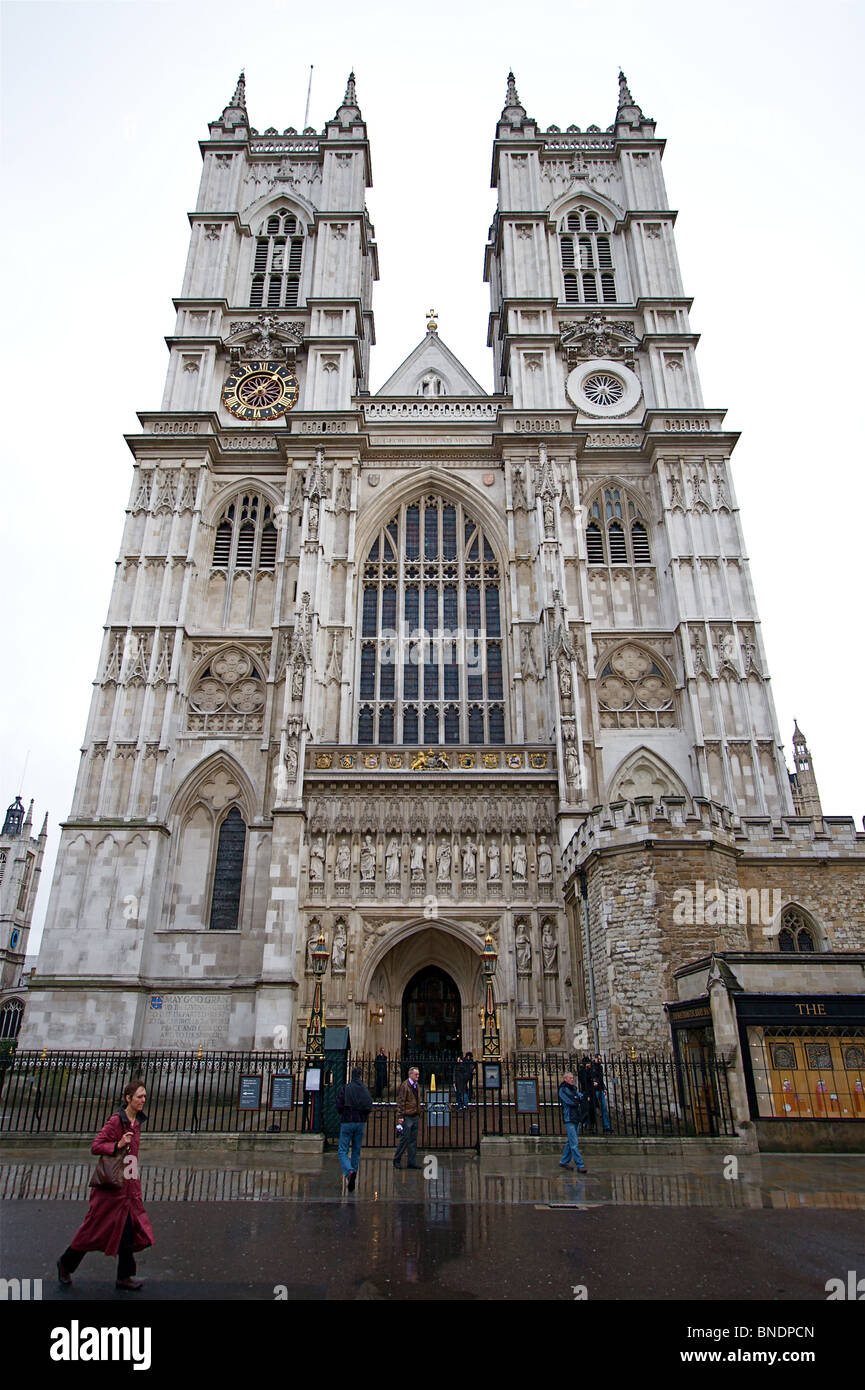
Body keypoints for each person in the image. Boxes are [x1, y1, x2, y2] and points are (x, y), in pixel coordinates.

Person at [57, 1079, 154, 1291]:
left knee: (127, 1231)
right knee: (92, 1230)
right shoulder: (116, 1122)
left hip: (127, 1186)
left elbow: (132, 1158)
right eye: (139, 1096)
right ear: (128, 1099)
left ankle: (124, 1276)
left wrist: (135, 1185)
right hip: (110, 1188)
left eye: (145, 1096)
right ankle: (66, 1263)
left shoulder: (137, 1122)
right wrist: (117, 1145)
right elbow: (96, 1146)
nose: (143, 1100)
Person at [336, 1066, 373, 1193]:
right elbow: (369, 1105)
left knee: (342, 1150)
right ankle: (353, 1174)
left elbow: (339, 1104)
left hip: (347, 1121)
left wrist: (343, 1112)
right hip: (360, 1122)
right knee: (356, 1150)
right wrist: (363, 1115)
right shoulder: (364, 1089)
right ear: (361, 1076)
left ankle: (349, 1172)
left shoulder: (346, 1088)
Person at [557, 1071, 588, 1174]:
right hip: (569, 1118)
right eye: (570, 1078)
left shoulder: (573, 1089)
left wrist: (582, 1097)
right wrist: (577, 1099)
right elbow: (571, 1101)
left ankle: (564, 1161)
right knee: (574, 1142)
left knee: (570, 1141)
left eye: (572, 1078)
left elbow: (580, 1096)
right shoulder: (563, 1089)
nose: (572, 1080)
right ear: (565, 1079)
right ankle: (580, 1165)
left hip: (576, 1117)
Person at [393, 1066, 422, 1169]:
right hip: (407, 1116)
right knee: (404, 1139)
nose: (418, 1076)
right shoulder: (405, 1086)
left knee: (413, 1140)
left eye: (418, 1074)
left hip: (415, 1115)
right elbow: (400, 1102)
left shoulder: (417, 1085)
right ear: (410, 1075)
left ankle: (411, 1162)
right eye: (416, 1074)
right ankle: (397, 1159)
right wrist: (400, 1116)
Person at [591, 1052, 612, 1133]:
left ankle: (606, 1126)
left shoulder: (600, 1067)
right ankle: (591, 1126)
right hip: (594, 1090)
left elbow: (601, 1079)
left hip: (600, 1089)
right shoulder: (592, 1067)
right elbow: (591, 1077)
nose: (600, 1060)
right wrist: (593, 1082)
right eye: (598, 1059)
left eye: (600, 1059)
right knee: (593, 1108)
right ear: (595, 1059)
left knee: (603, 1108)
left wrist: (604, 1088)